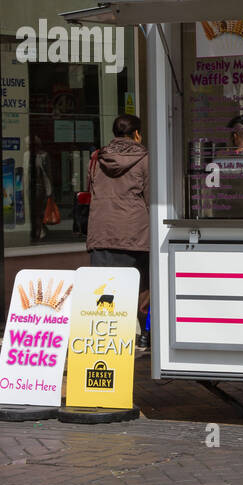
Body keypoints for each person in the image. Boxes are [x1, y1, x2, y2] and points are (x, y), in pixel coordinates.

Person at [87, 114, 150, 348]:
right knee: (143, 289)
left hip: (101, 231)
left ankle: (105, 337)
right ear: (136, 134)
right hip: (135, 232)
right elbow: (151, 198)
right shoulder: (144, 158)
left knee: (104, 289)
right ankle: (145, 333)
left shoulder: (97, 158)